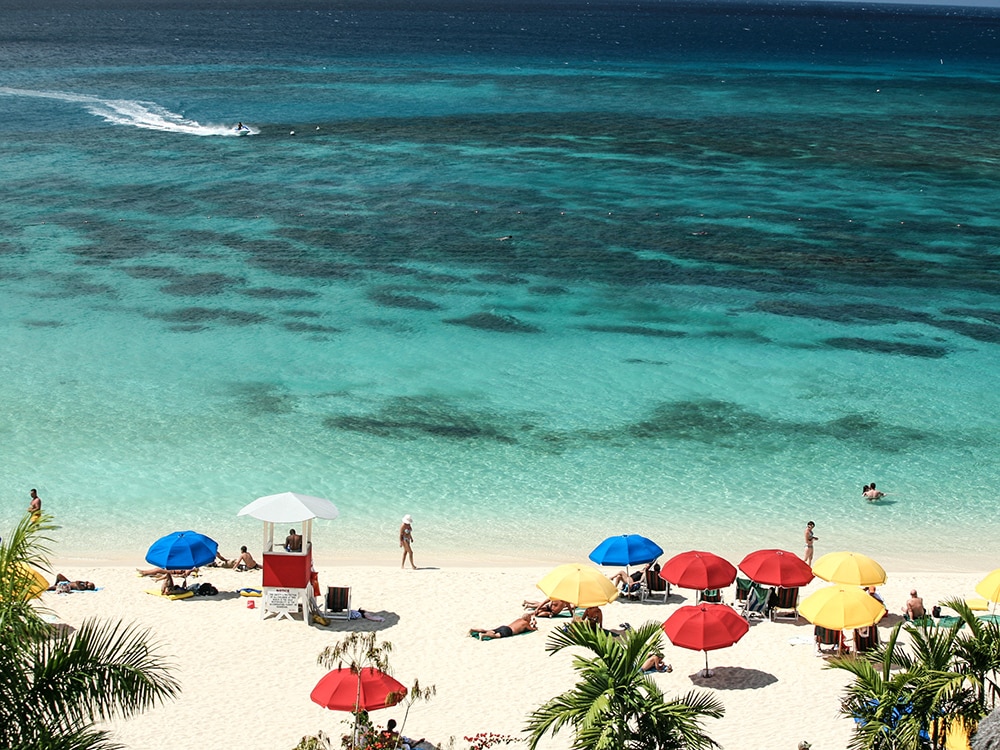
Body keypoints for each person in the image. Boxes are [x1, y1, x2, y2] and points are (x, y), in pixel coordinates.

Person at [469, 613, 537, 640]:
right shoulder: (525, 623)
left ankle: (473, 630)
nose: (530, 620)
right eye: (530, 619)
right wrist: (534, 624)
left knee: (489, 630)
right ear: (527, 619)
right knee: (496, 636)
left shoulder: (519, 619)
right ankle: (483, 635)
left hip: (504, 627)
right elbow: (532, 629)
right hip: (509, 631)